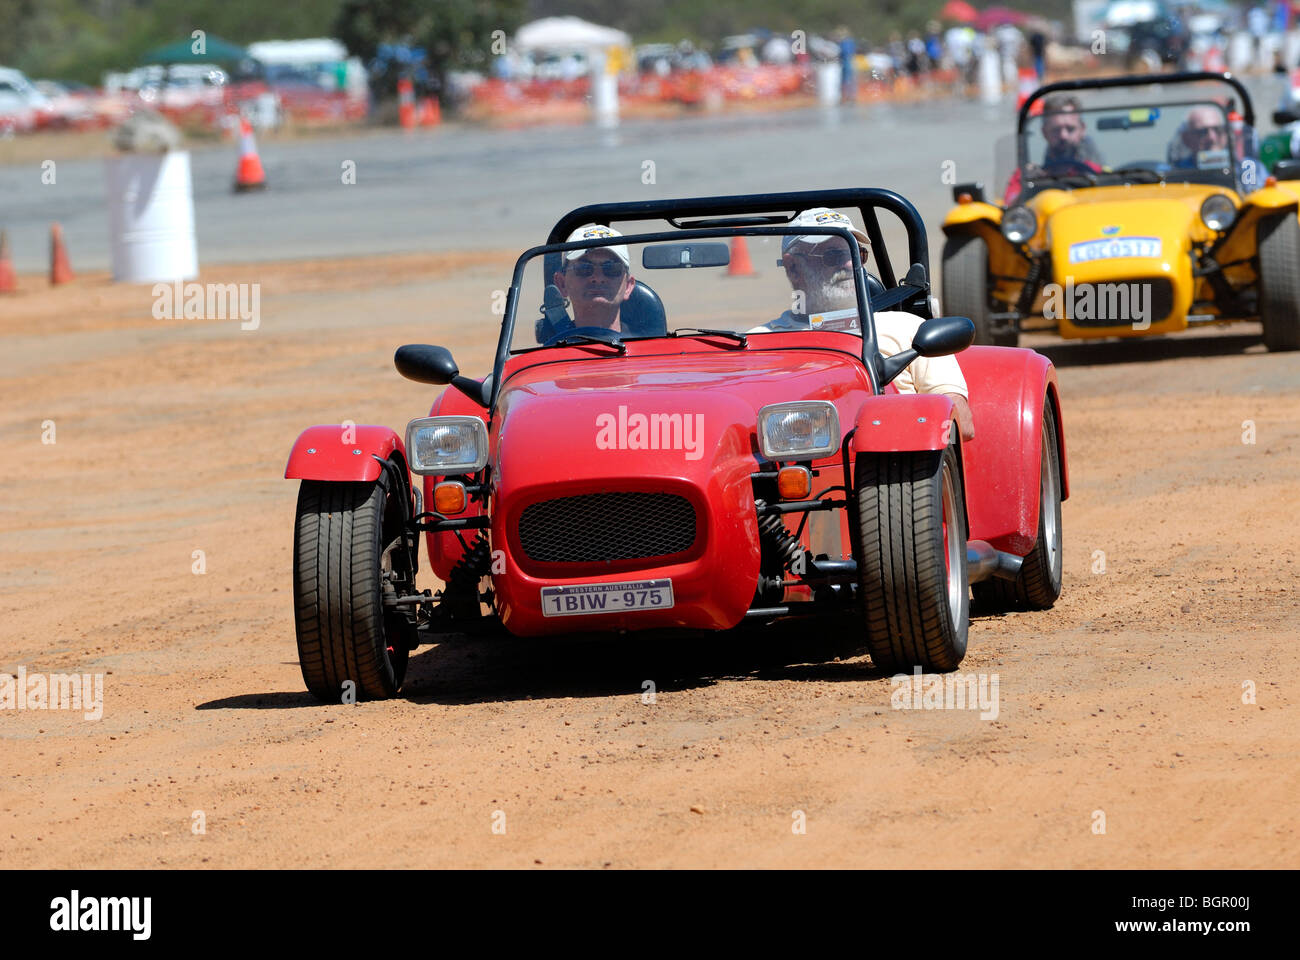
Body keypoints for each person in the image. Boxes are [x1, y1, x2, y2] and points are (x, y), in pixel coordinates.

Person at [749, 208, 975, 441]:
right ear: (794, 268)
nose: (849, 264)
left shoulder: (908, 328)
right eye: (833, 256)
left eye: (857, 254)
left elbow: (961, 424)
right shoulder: (759, 343)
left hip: (898, 464)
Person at [1003, 94, 1105, 204]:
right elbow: (1009, 210)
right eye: (1056, 130)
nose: (1063, 136)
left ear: (1082, 129)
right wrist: (1029, 189)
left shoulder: (1097, 173)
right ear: (1044, 132)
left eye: (1070, 129)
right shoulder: (1025, 176)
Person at [550, 223, 636, 332]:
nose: (598, 278)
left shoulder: (648, 348)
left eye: (611, 268)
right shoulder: (553, 349)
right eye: (584, 268)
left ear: (628, 286)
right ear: (562, 284)